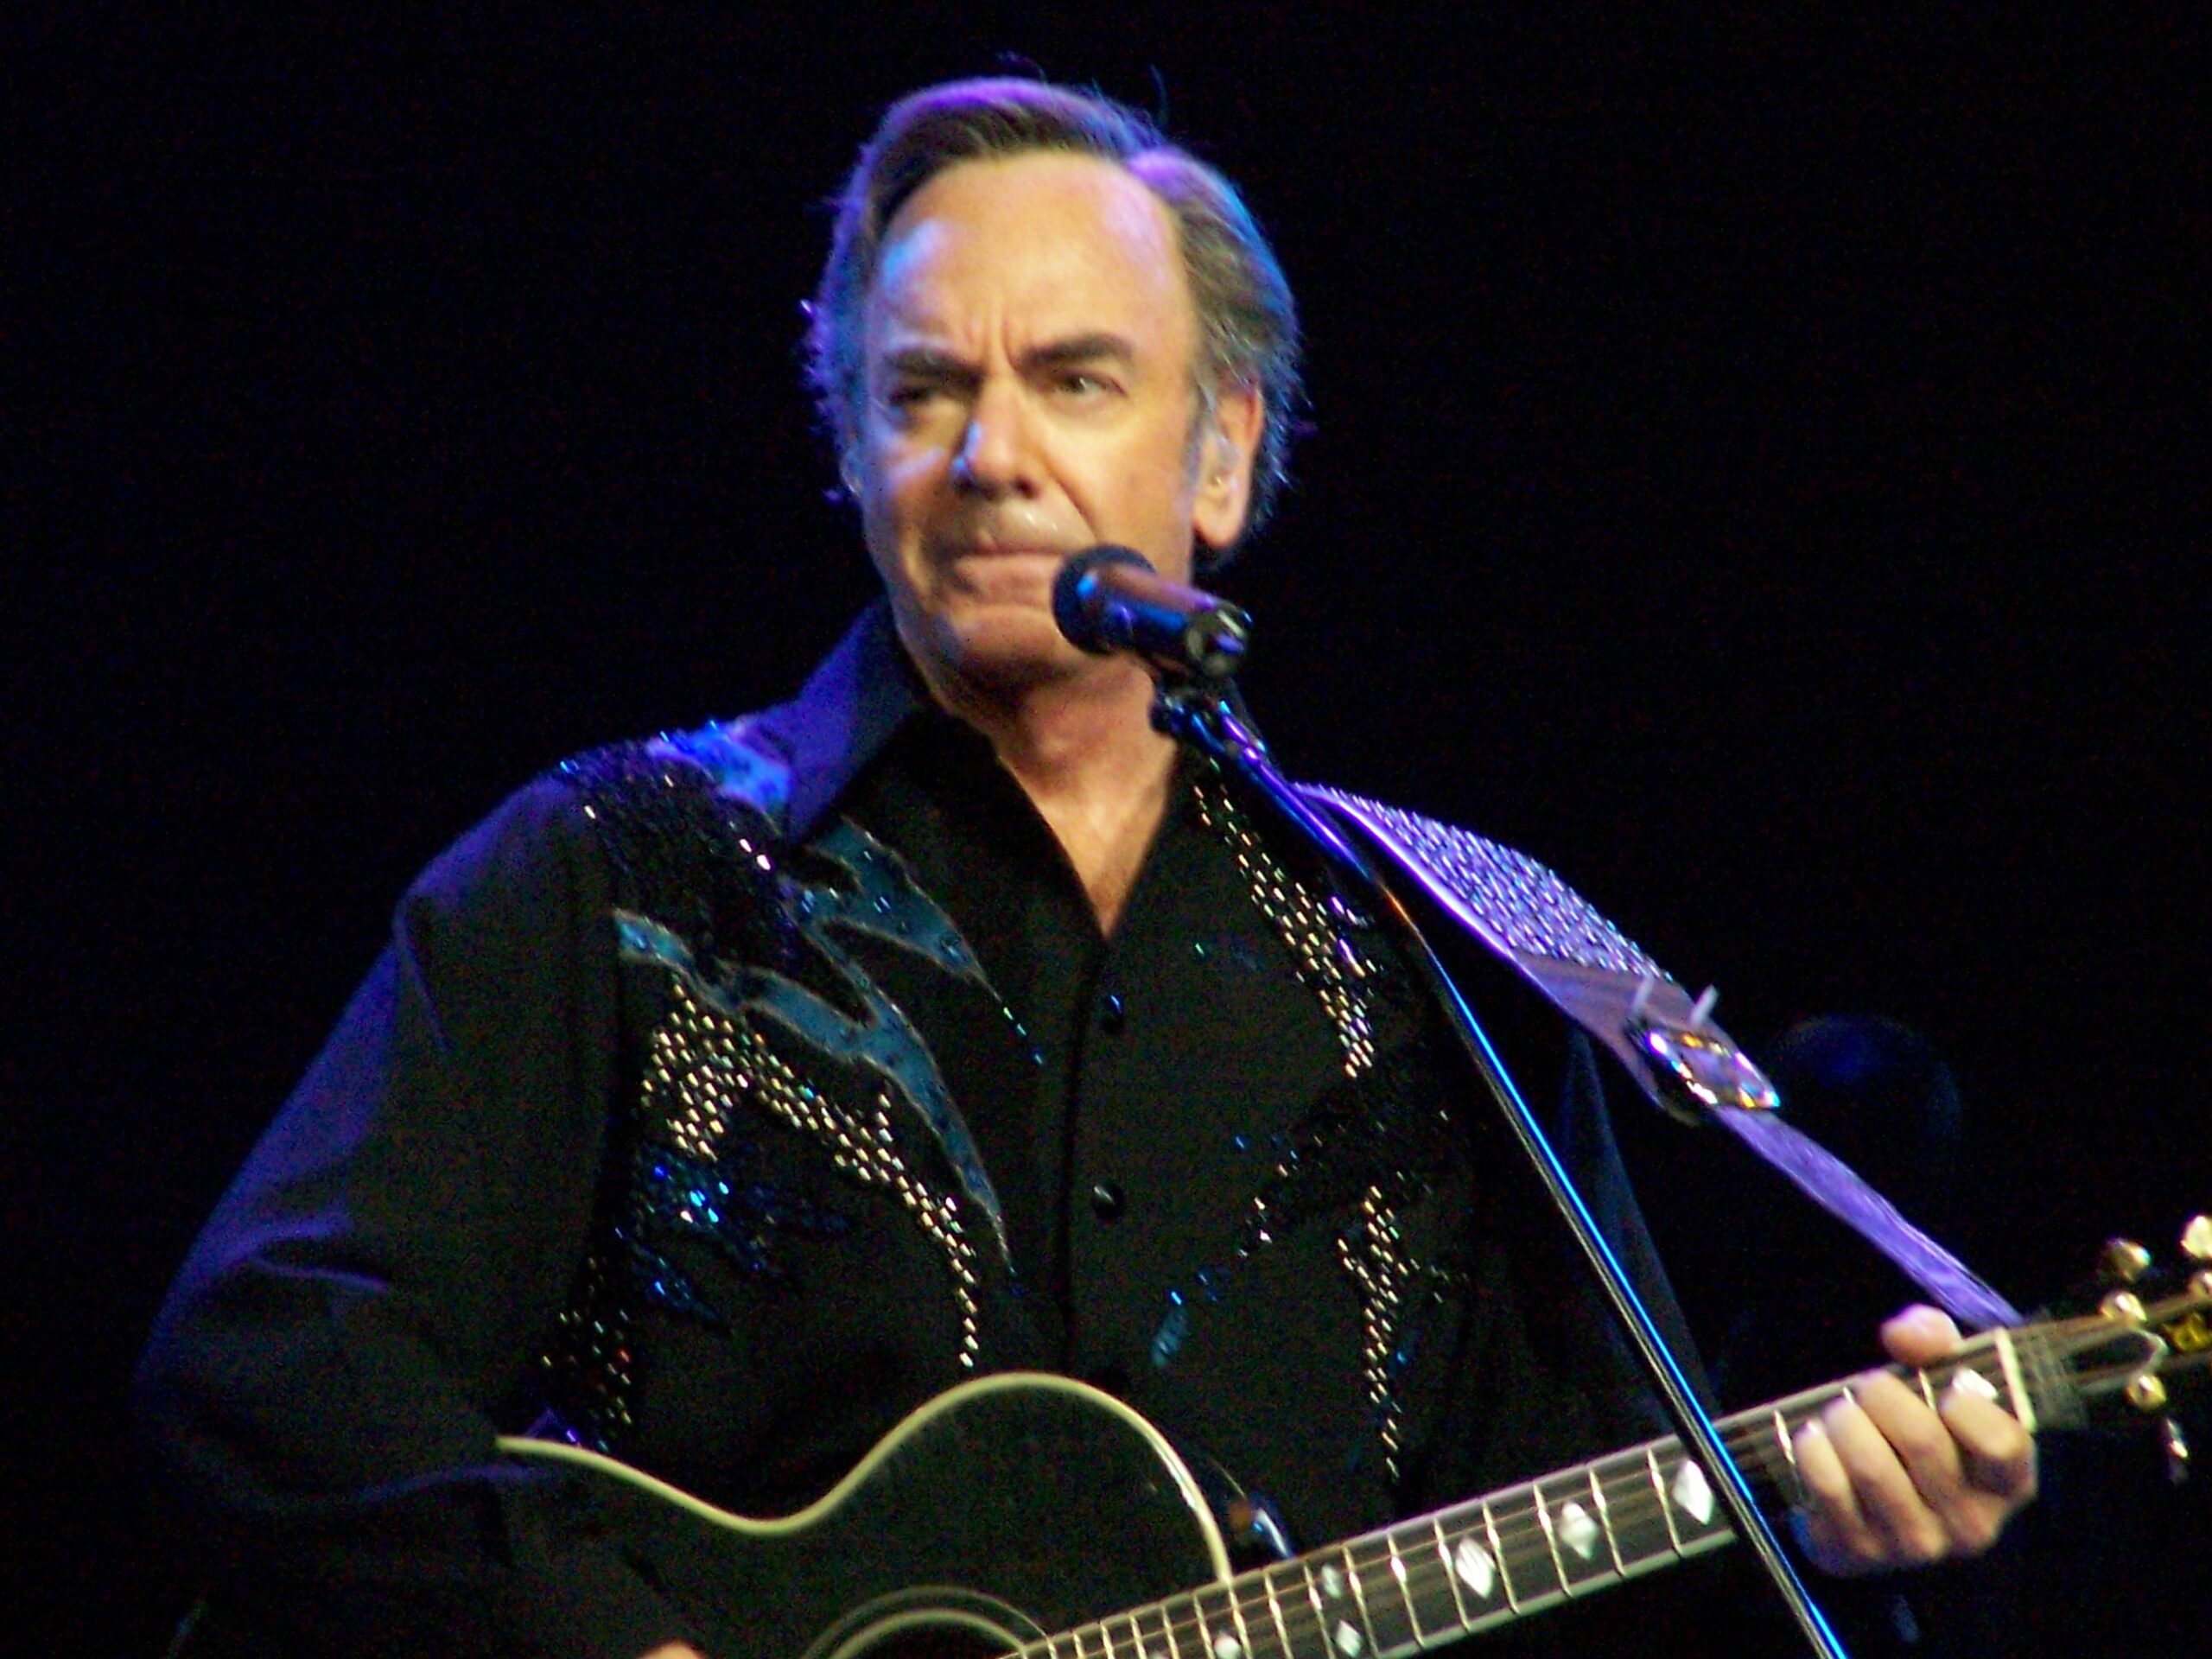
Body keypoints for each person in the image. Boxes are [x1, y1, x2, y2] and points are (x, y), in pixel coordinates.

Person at [136, 79, 2036, 1659]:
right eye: (917, 393)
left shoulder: (1429, 946)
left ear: (1221, 457)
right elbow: (269, 1359)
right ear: (851, 451)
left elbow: (1595, 1554)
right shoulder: (626, 874)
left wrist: (1839, 1542)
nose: (987, 455)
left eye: (1073, 379)